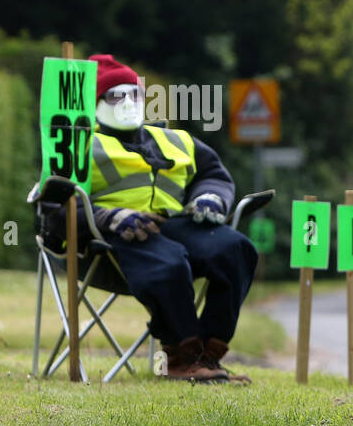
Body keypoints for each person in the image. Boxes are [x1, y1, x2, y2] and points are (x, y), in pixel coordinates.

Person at [75, 54, 259, 383]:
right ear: (95, 102)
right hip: (113, 236)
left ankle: (208, 354)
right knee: (169, 261)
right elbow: (55, 202)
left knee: (235, 248)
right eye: (116, 95)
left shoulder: (176, 139)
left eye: (134, 93)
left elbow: (213, 173)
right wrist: (108, 216)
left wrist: (210, 197)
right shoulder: (79, 145)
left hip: (176, 224)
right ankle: (179, 355)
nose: (128, 102)